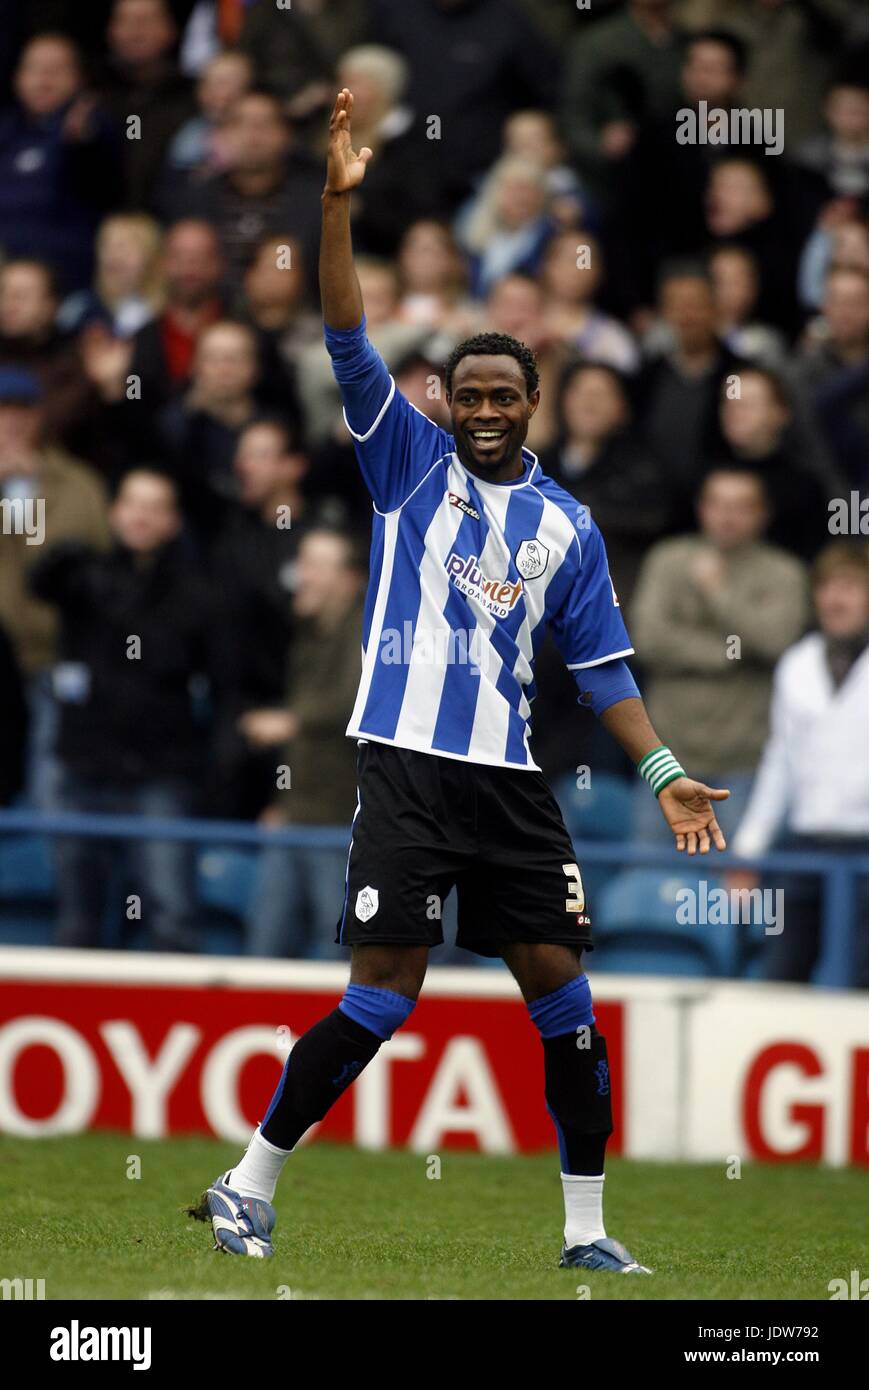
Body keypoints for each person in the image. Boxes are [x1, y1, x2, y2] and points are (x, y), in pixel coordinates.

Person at [191, 88, 731, 1273]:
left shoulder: (568, 526)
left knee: (565, 1007)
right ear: (447, 401)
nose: (483, 410)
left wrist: (665, 772)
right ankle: (246, 1185)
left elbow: (600, 670)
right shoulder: (404, 462)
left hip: (511, 782)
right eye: (468, 394)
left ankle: (586, 1235)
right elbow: (344, 334)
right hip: (407, 770)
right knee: (382, 994)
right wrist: (335, 204)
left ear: (530, 404)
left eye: (502, 396)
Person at [28, 467, 226, 951]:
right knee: (77, 917)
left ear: (173, 522)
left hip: (161, 774)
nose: (142, 516)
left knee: (171, 915)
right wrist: (61, 556)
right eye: (134, 504)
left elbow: (217, 680)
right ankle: (75, 1016)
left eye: (155, 507)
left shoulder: (195, 591)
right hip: (82, 772)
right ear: (115, 513)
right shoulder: (84, 576)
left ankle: (176, 1019)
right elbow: (39, 584)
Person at [631, 467, 809, 841]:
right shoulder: (668, 560)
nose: (727, 516)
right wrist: (730, 654)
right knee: (647, 876)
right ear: (701, 508)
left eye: (741, 507)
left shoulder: (784, 572)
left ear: (763, 514)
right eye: (717, 504)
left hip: (743, 761)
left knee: (734, 890)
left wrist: (717, 592)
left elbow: (777, 641)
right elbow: (648, 640)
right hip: (667, 758)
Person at [730, 542, 869, 987]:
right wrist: (749, 850)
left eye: (850, 587)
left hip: (866, 853)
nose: (835, 599)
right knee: (781, 976)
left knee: (860, 984)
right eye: (827, 587)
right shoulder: (797, 664)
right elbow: (779, 764)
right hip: (806, 848)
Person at [243, 527, 367, 959]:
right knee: (266, 943)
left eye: (316, 566)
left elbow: (355, 702)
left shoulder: (369, 630)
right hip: (299, 816)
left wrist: (290, 720)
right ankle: (263, 1027)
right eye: (302, 563)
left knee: (333, 948)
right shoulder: (309, 634)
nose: (302, 575)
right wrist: (285, 801)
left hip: (342, 825)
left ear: (350, 579)